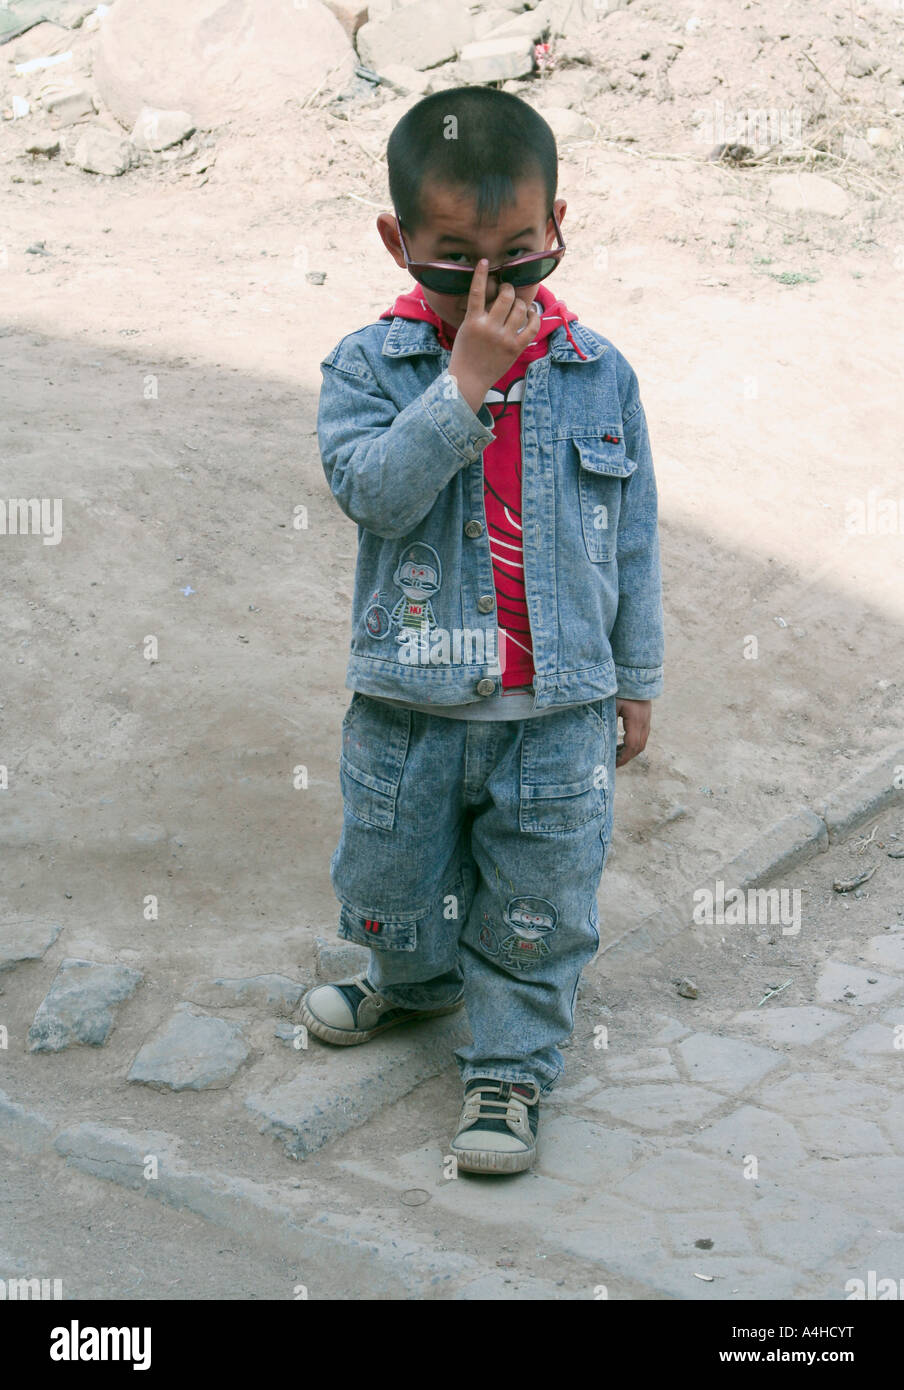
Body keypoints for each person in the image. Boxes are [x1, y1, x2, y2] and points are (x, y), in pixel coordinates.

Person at [302, 85, 665, 1175]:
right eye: (454, 256)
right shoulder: (369, 368)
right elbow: (371, 492)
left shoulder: (601, 372)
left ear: (560, 225)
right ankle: (411, 979)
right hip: (409, 707)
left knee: (536, 904)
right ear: (397, 241)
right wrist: (461, 384)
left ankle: (508, 1070)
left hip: (558, 710)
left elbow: (633, 537)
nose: (492, 281)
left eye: (520, 250)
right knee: (388, 878)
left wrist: (634, 677)